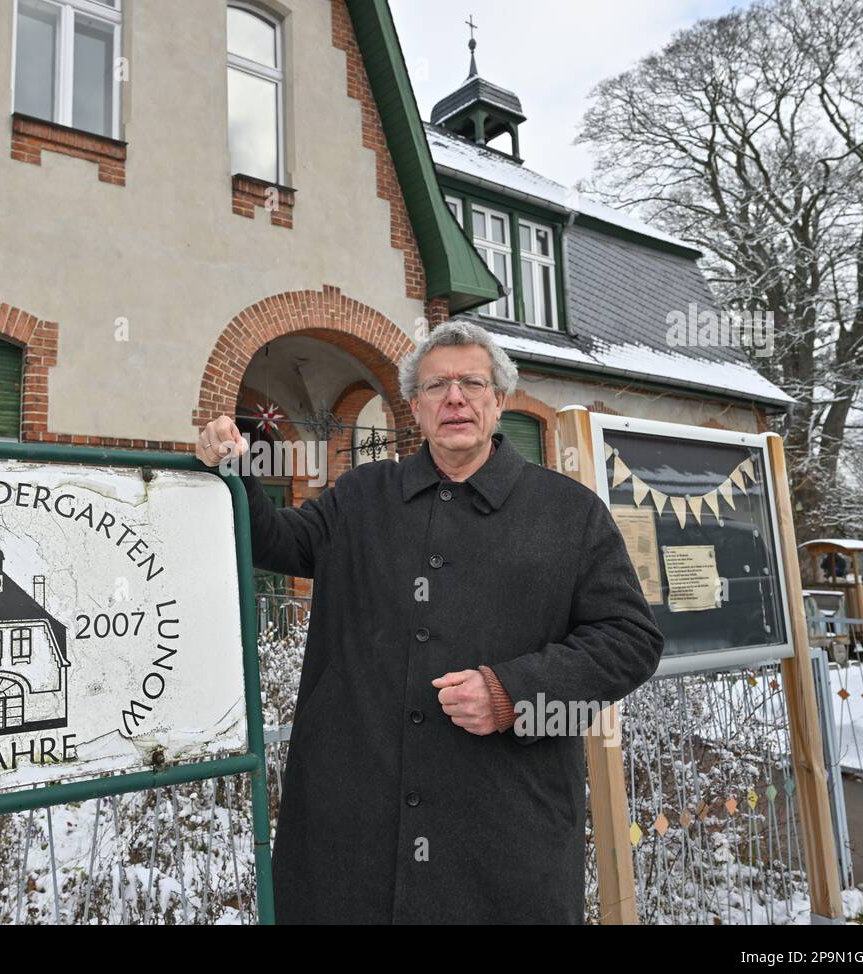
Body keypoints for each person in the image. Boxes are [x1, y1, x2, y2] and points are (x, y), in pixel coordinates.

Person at [195, 319, 664, 924]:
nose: (455, 398)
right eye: (437, 386)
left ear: (499, 400)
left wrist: (511, 694)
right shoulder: (363, 495)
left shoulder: (569, 514)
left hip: (501, 835)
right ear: (414, 407)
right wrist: (230, 474)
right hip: (355, 830)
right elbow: (278, 541)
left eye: (472, 382)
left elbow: (629, 640)